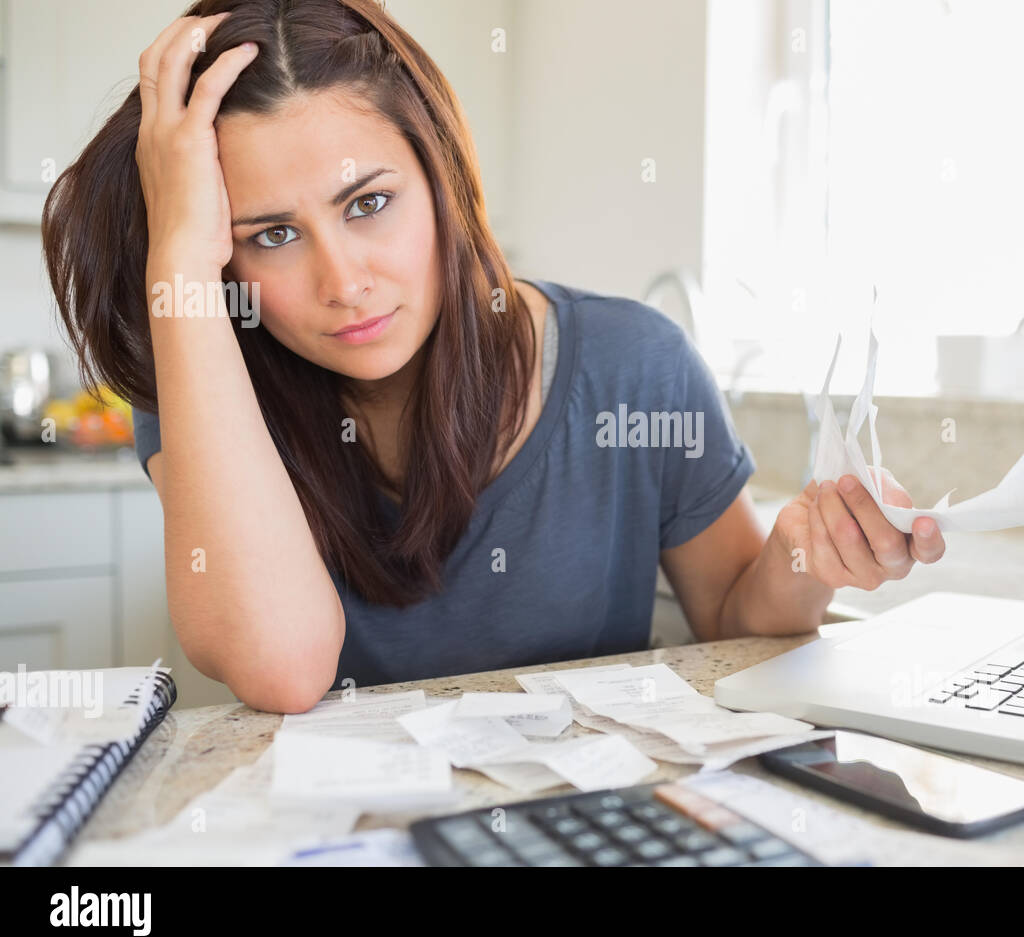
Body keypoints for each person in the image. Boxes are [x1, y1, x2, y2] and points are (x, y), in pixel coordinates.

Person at [41, 0, 945, 714]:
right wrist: (176, 260)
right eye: (272, 234)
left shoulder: (635, 367)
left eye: (368, 204)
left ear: (443, 180)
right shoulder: (206, 383)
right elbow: (283, 668)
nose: (344, 281)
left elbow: (733, 626)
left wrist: (802, 558)